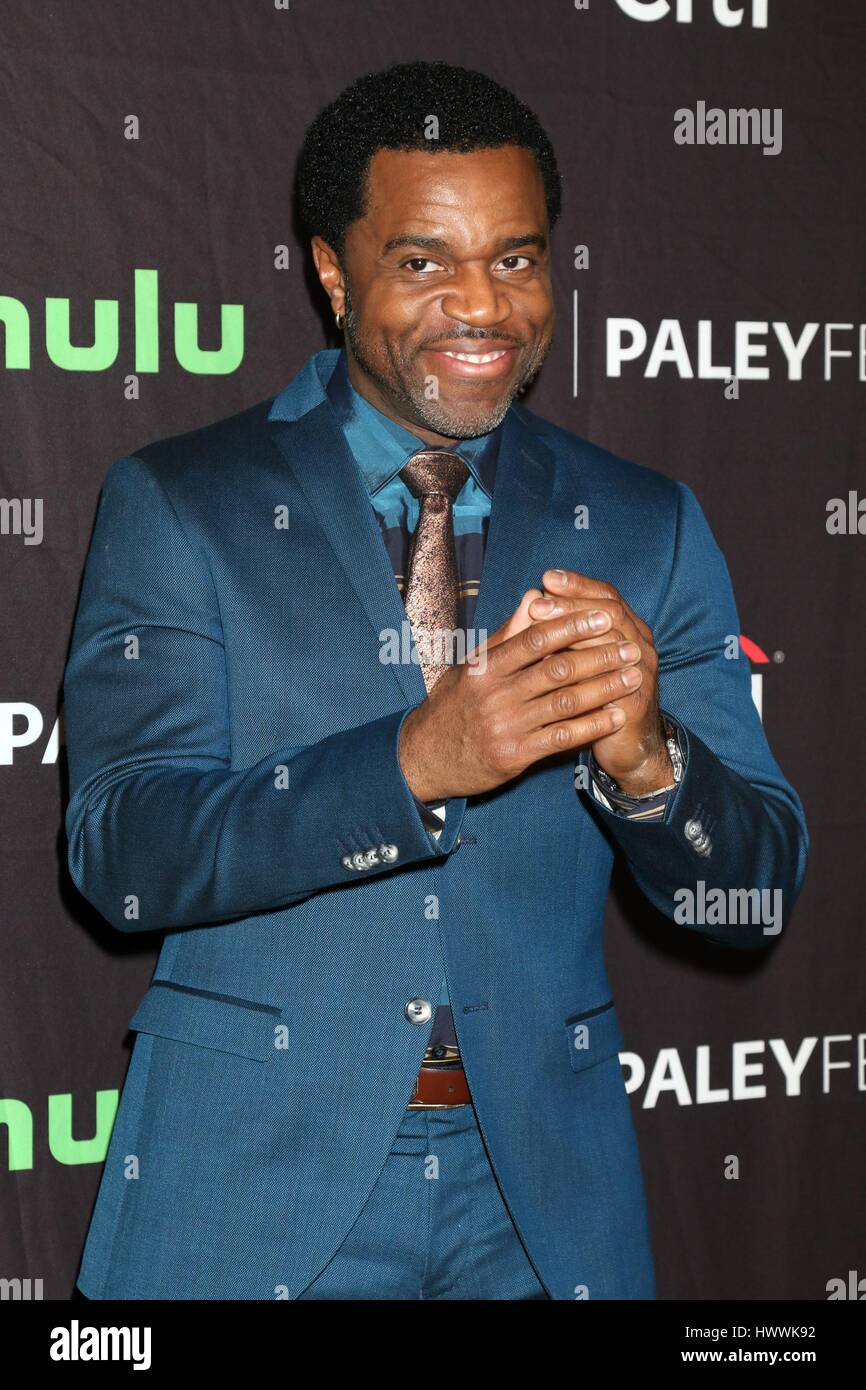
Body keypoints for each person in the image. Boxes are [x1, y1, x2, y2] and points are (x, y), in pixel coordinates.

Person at [64, 60, 808, 1301]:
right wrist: (410, 766)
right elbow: (122, 851)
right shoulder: (180, 504)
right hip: (252, 1179)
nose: (483, 307)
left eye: (516, 259)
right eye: (422, 263)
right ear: (332, 270)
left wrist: (646, 764)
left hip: (541, 1197)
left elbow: (752, 893)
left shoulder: (641, 524)